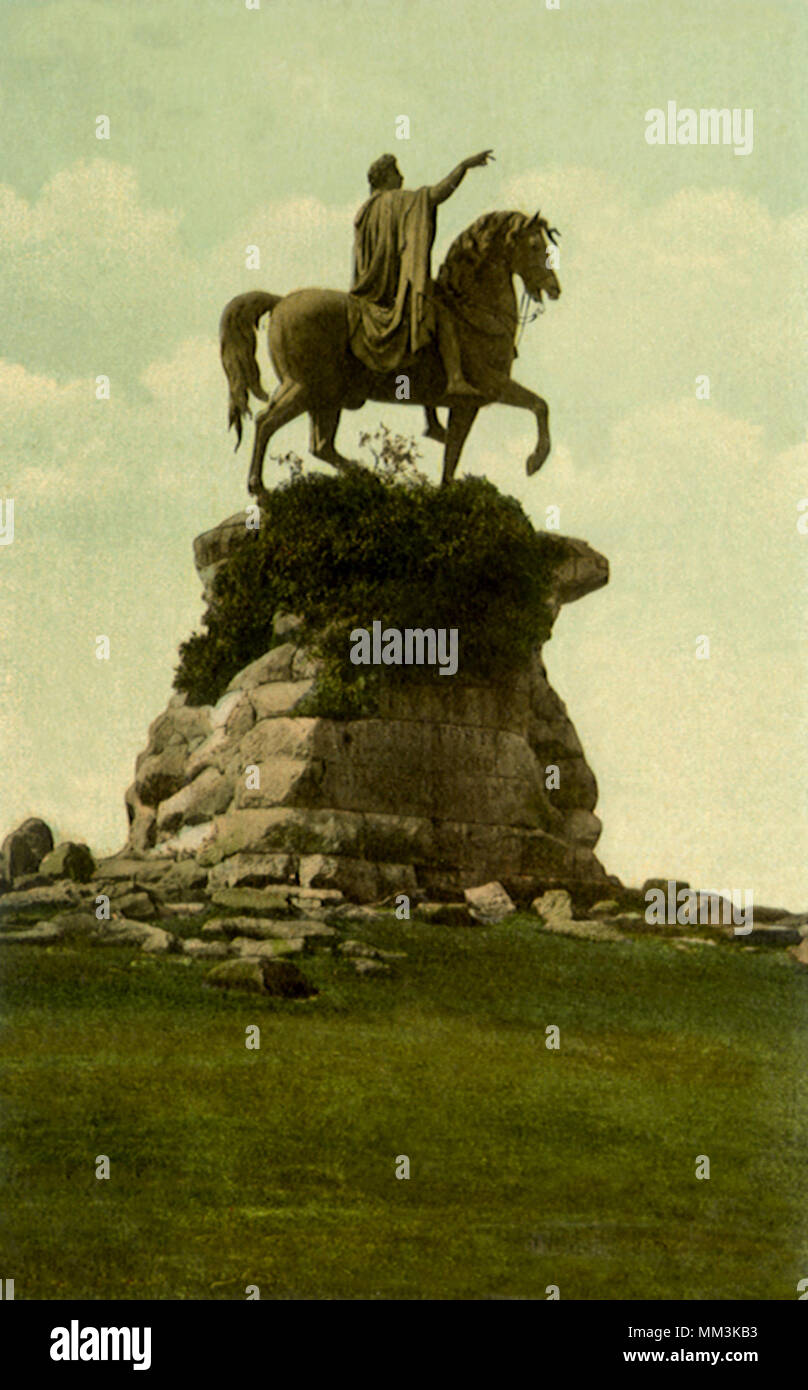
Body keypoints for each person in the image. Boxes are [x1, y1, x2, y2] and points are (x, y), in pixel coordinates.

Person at [347, 150, 494, 397]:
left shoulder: (364, 211)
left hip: (369, 292)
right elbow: (437, 194)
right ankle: (455, 379)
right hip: (394, 292)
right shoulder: (396, 201)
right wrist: (463, 166)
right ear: (386, 177)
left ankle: (431, 412)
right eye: (397, 173)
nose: (402, 178)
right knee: (441, 314)